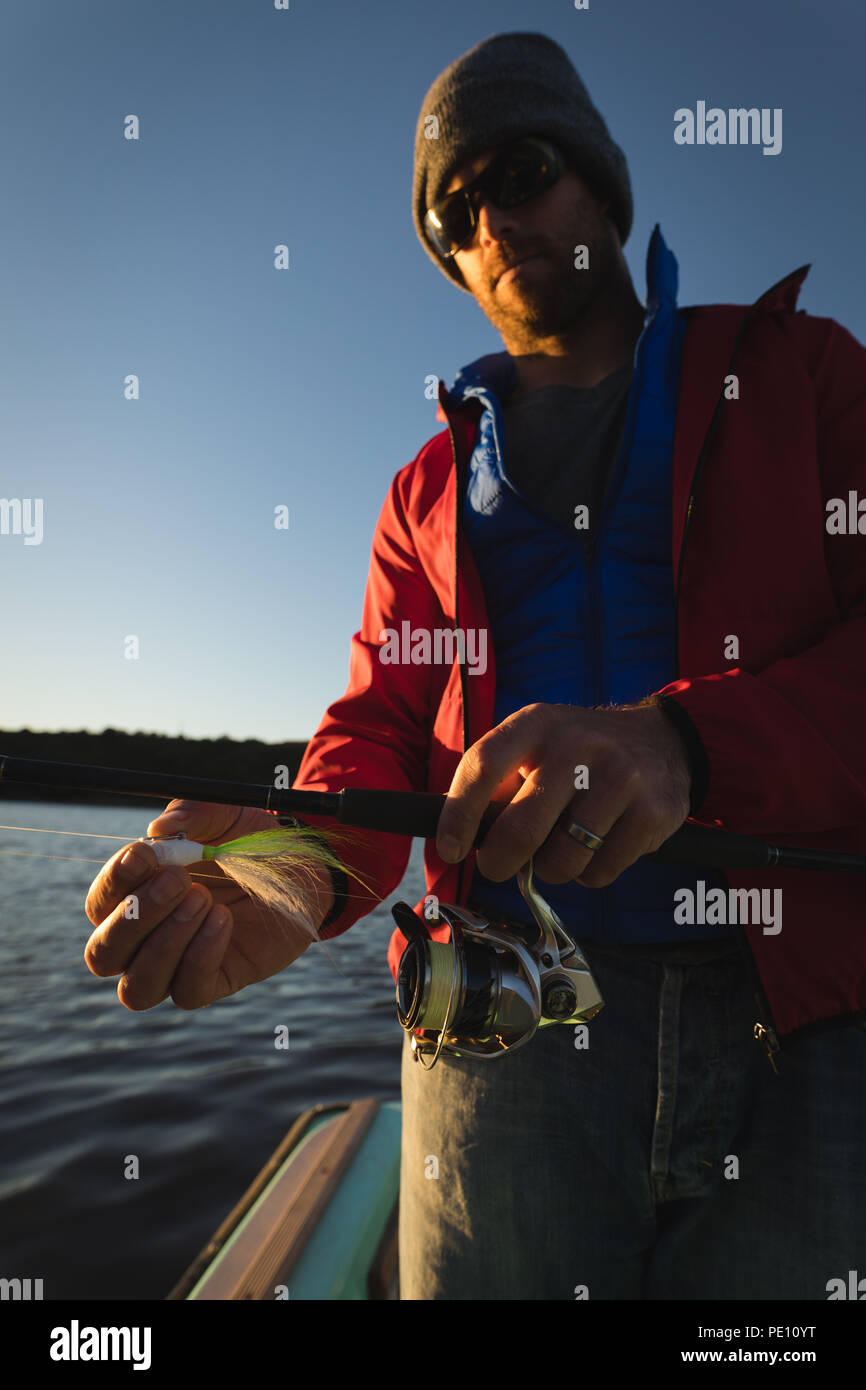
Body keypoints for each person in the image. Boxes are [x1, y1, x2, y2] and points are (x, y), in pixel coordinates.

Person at [85, 32, 866, 1301]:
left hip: (805, 1030)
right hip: (496, 1016)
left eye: (523, 168)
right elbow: (383, 725)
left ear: (601, 188)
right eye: (454, 211)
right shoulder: (423, 489)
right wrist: (288, 872)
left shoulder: (804, 374)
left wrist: (682, 745)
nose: (492, 217)